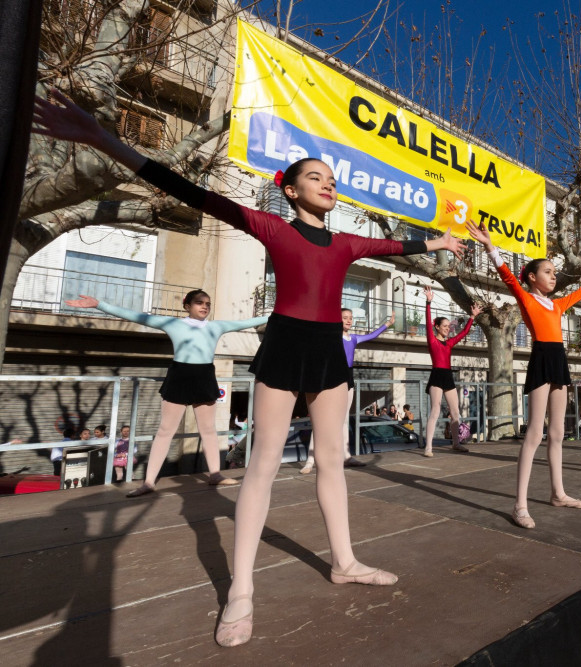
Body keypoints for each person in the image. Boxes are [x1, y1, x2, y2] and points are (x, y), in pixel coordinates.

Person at [33, 90, 466, 647]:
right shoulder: (272, 227)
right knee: (262, 466)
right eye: (316, 177)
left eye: (332, 178)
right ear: (290, 189)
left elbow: (393, 245)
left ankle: (345, 561)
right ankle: (241, 591)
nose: (328, 183)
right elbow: (187, 189)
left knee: (332, 461)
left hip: (329, 351)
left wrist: (438, 240)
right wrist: (104, 140)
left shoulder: (346, 241)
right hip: (285, 344)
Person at [466, 218, 581, 530]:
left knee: (558, 433)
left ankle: (558, 493)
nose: (553, 275)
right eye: (548, 271)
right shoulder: (526, 297)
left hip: (559, 360)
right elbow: (507, 276)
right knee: (535, 433)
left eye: (554, 272)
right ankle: (519, 505)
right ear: (532, 277)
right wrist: (489, 246)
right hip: (542, 358)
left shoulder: (557, 305)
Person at [66, 290, 266, 496]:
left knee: (208, 430)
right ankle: (149, 482)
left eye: (208, 303)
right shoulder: (173, 324)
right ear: (186, 305)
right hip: (179, 376)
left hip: (204, 376)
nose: (205, 306)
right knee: (165, 431)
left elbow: (248, 322)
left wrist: (280, 314)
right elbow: (138, 316)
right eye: (199, 302)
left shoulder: (216, 326)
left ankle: (215, 474)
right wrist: (99, 304)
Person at [300, 310, 396, 474]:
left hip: (348, 376)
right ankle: (310, 459)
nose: (349, 320)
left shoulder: (353, 338)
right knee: (321, 420)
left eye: (351, 318)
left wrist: (387, 324)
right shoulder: (332, 337)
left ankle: (346, 456)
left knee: (344, 419)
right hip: (332, 376)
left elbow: (372, 335)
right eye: (345, 318)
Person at [422, 285, 482, 456]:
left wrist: (472, 316)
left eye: (449, 325)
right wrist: (428, 303)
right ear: (438, 327)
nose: (448, 328)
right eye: (445, 325)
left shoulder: (449, 343)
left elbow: (464, 332)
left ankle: (456, 443)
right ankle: (428, 447)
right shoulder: (433, 341)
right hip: (437, 375)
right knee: (434, 411)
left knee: (455, 412)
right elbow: (427, 323)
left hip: (448, 376)